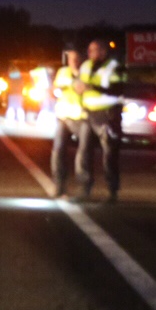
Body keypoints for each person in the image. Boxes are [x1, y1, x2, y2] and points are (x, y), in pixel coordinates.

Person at [75, 38, 126, 202]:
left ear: (103, 51)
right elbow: (80, 84)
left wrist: (92, 87)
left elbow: (118, 90)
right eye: (89, 50)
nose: (90, 53)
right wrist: (78, 88)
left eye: (94, 50)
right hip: (89, 114)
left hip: (107, 115)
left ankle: (112, 191)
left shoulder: (114, 67)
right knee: (83, 152)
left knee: (109, 153)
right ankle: (85, 188)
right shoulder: (85, 65)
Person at [49, 47, 85, 197]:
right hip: (63, 117)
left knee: (83, 154)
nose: (73, 62)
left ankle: (83, 187)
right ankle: (59, 185)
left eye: (76, 59)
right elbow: (54, 90)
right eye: (71, 59)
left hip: (81, 118)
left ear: (81, 60)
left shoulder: (86, 73)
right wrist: (55, 91)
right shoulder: (62, 72)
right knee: (58, 151)